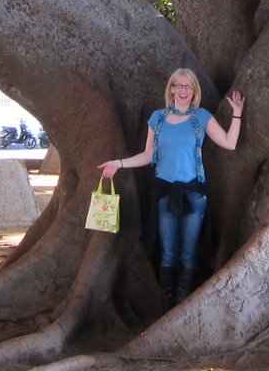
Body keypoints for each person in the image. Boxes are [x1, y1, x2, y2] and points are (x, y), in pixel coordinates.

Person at [101, 69, 244, 310]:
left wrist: (237, 115)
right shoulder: (157, 118)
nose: (184, 90)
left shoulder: (201, 117)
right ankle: (167, 308)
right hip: (165, 193)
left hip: (194, 194)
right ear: (171, 89)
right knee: (168, 253)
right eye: (179, 85)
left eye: (188, 86)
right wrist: (118, 163)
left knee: (188, 254)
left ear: (194, 90)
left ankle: (182, 307)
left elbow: (229, 144)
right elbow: (148, 156)